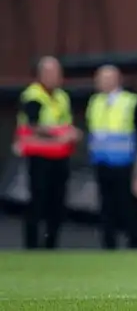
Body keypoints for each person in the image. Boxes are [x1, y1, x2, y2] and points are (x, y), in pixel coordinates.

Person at [15, 56, 81, 249]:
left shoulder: (62, 96)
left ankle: (52, 244)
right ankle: (32, 246)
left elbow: (65, 122)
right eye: (51, 73)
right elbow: (34, 125)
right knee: (37, 200)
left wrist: (71, 133)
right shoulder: (33, 95)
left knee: (57, 202)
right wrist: (61, 133)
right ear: (41, 74)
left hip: (60, 156)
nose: (56, 77)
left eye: (58, 72)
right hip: (38, 156)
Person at [86, 65, 137, 249]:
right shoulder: (94, 101)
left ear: (117, 79)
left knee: (125, 202)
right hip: (101, 160)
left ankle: (133, 241)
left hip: (123, 161)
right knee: (105, 204)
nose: (102, 82)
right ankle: (108, 243)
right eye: (100, 78)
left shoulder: (129, 101)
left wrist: (133, 151)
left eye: (107, 78)